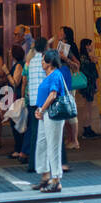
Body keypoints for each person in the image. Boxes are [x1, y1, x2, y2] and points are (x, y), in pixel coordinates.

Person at [32, 49, 69, 193]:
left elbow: (53, 95)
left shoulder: (55, 75)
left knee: (53, 146)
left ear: (49, 63)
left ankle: (56, 180)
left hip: (53, 114)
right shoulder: (49, 75)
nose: (41, 62)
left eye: (43, 60)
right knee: (41, 144)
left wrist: (41, 110)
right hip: (44, 113)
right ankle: (45, 176)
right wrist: (40, 110)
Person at [22, 34, 47, 171]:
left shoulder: (30, 61)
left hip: (32, 100)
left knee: (33, 132)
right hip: (42, 101)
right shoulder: (44, 60)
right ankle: (40, 163)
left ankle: (32, 163)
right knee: (43, 133)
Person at [74, 39, 101, 140]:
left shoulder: (83, 57)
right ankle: (87, 128)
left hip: (86, 84)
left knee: (88, 106)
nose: (91, 47)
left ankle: (87, 128)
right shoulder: (85, 58)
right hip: (88, 84)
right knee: (88, 107)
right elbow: (90, 72)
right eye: (90, 45)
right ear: (86, 46)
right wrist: (93, 62)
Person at [5, 44, 28, 160]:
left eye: (10, 52)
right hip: (15, 96)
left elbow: (15, 82)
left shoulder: (19, 65)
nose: (9, 54)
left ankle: (19, 149)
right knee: (17, 122)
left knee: (16, 123)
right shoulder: (18, 64)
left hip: (17, 97)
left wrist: (7, 72)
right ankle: (19, 148)